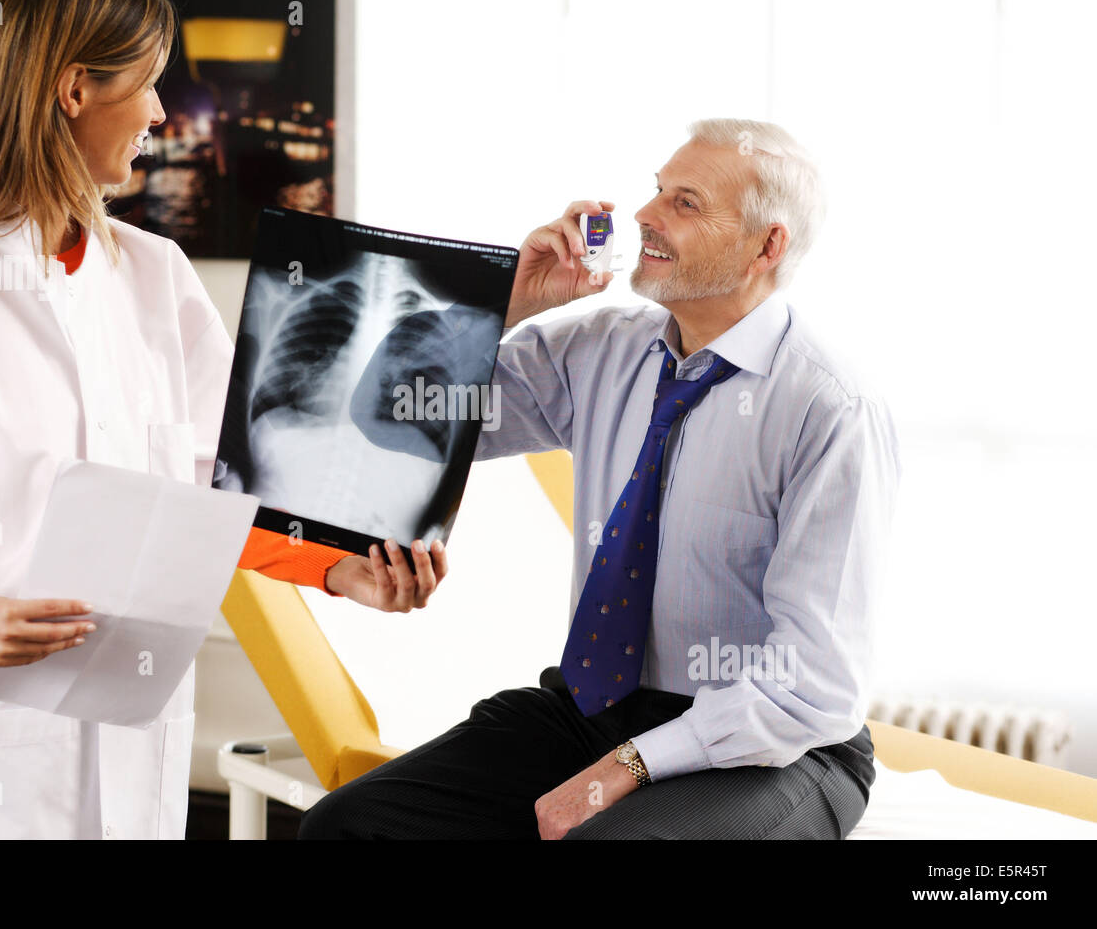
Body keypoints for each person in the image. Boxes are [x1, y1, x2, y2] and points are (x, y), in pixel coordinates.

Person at [0, 0, 445, 840]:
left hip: (136, 733)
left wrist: (337, 569)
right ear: (74, 89)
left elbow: (214, 493)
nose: (159, 112)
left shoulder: (155, 277)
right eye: (146, 82)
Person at [299, 118, 901, 840]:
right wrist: (511, 299)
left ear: (766, 245)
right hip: (592, 708)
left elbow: (813, 686)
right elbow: (391, 408)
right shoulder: (599, 349)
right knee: (349, 827)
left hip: (779, 744)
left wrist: (628, 767)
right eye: (655, 192)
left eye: (685, 202)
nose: (646, 214)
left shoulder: (828, 407)